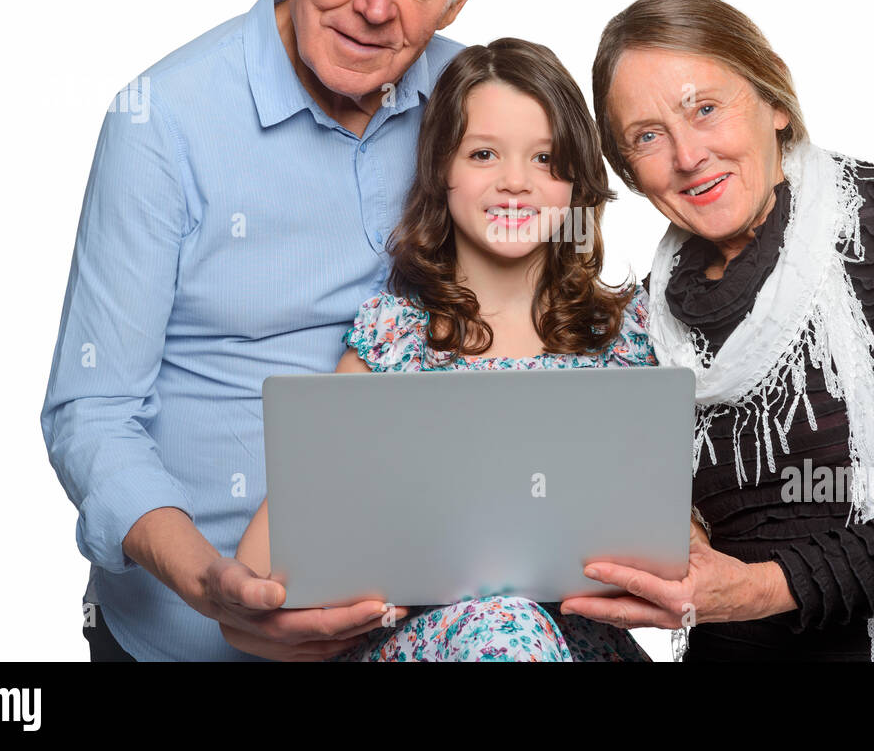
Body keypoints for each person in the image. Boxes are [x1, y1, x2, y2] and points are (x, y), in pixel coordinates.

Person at [40, 0, 488, 661]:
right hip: (195, 627)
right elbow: (91, 413)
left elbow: (555, 309)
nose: (377, 5)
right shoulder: (161, 124)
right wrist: (210, 583)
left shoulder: (484, 109)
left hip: (425, 624)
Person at [560, 0, 874, 661]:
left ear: (773, 100)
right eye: (648, 137)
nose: (688, 155)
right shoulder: (647, 321)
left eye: (705, 109)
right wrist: (674, 527)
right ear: (628, 170)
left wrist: (759, 588)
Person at [228, 38, 656, 661]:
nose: (515, 181)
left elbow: (670, 539)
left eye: (545, 158)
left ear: (575, 185)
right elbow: (263, 563)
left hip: (584, 645)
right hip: (431, 640)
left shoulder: (624, 339)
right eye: (484, 154)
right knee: (503, 627)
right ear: (443, 174)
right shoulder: (395, 340)